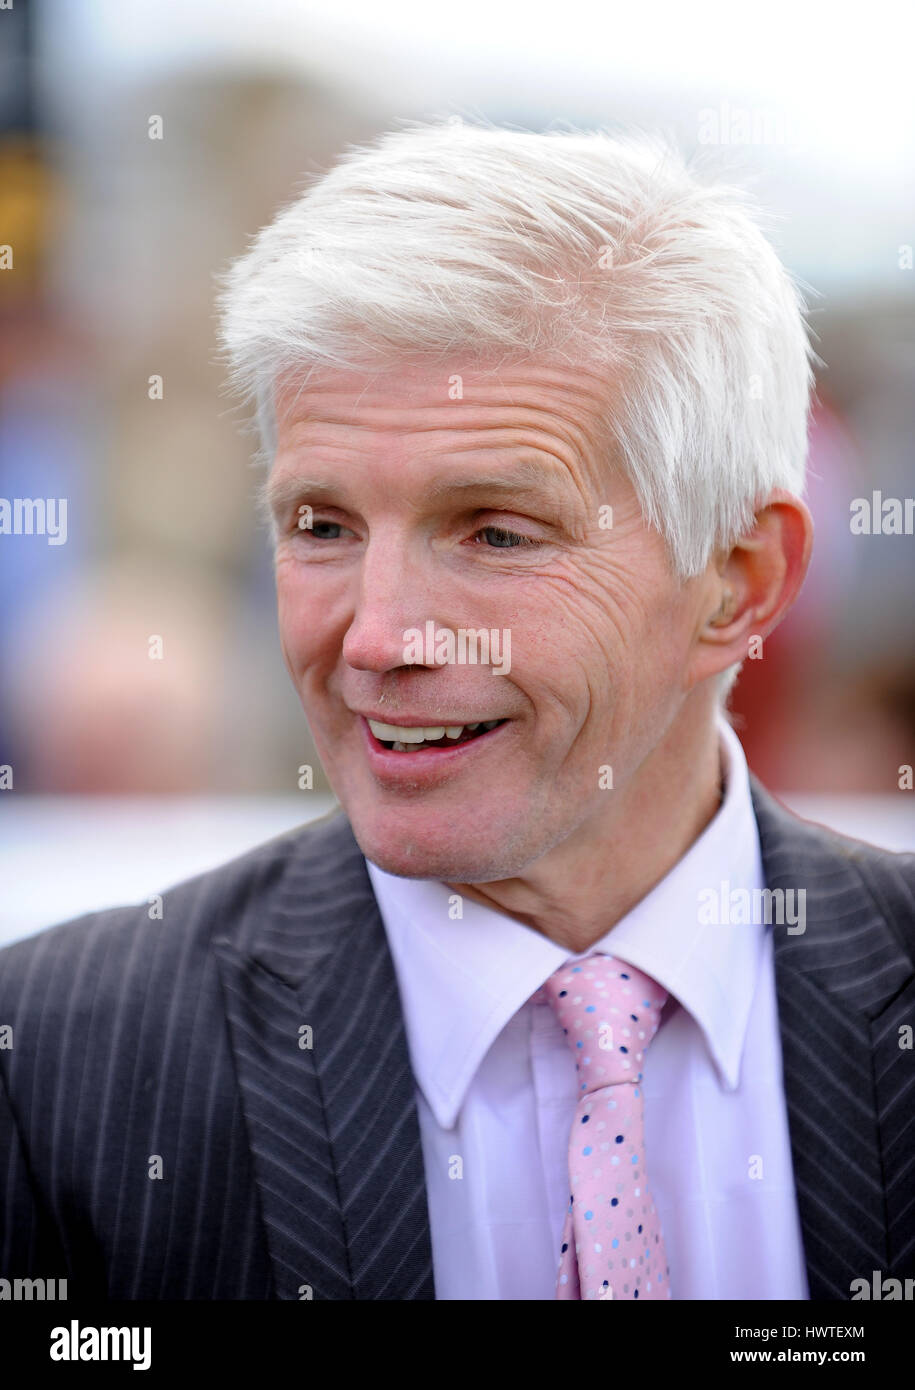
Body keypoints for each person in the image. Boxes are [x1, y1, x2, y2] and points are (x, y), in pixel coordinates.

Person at [1, 121, 912, 1302]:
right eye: (322, 526)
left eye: (494, 532)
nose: (377, 637)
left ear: (739, 580)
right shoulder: (60, 1071)